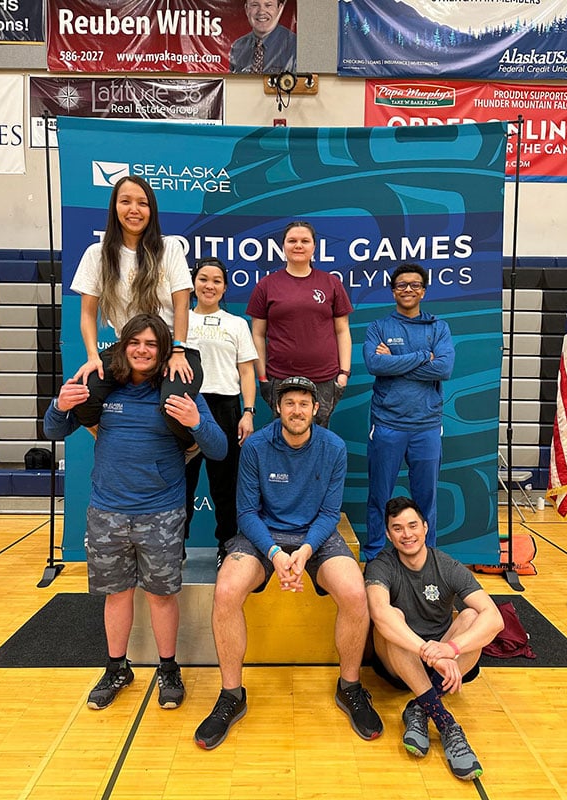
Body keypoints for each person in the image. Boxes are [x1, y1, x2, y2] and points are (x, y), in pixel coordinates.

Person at [43, 314, 227, 711]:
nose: (142, 350)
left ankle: (168, 668)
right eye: (135, 343)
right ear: (123, 347)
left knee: (161, 597)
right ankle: (116, 668)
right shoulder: (104, 391)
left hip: (160, 513)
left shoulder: (183, 395)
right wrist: (59, 406)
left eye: (152, 344)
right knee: (116, 596)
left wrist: (196, 423)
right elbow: (53, 430)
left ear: (164, 353)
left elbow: (219, 449)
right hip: (107, 512)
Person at [194, 376, 383, 749]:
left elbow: (330, 513)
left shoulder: (334, 447)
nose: (297, 410)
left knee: (354, 593)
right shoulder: (257, 447)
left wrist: (305, 551)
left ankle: (350, 687)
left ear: (317, 409)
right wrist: (276, 554)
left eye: (304, 403)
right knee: (227, 590)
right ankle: (231, 695)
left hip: (316, 536)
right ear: (278, 408)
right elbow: (246, 513)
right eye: (289, 403)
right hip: (262, 535)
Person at [364, 496, 504, 781]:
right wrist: (427, 652)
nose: (407, 534)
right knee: (392, 620)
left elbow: (495, 618)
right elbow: (379, 614)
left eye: (413, 525)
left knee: (472, 618)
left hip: (442, 657)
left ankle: (421, 706)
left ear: (426, 527)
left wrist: (450, 648)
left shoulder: (447, 566)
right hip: (400, 660)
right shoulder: (381, 565)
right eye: (398, 528)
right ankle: (446, 722)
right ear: (389, 534)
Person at [70, 174, 202, 445]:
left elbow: (181, 305)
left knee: (173, 407)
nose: (134, 209)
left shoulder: (170, 248)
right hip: (127, 349)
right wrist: (93, 356)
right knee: (84, 396)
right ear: (114, 207)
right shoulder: (97, 254)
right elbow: (86, 314)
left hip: (169, 345)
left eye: (142, 203)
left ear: (151, 210)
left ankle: (189, 450)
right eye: (125, 201)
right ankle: (112, 444)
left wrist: (178, 350)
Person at [363, 262, 455, 558]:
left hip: (426, 426)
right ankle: (376, 557)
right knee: (380, 496)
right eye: (402, 285)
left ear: (423, 291)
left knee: (425, 500)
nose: (408, 290)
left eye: (415, 285)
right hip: (387, 424)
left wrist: (397, 362)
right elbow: (375, 365)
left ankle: (426, 560)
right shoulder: (378, 327)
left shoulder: (438, 327)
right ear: (393, 291)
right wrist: (420, 357)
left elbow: (444, 367)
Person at [184, 257, 258, 567]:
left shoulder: (237, 324)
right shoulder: (179, 321)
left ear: (225, 287)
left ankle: (227, 544)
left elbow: (246, 373)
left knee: (225, 486)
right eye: (203, 279)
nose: (209, 285)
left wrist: (248, 411)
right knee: (182, 483)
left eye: (216, 280)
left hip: (226, 408)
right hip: (186, 406)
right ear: (193, 284)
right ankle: (175, 546)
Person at [247, 221, 353, 427]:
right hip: (280, 378)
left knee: (318, 441)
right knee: (283, 440)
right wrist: (263, 377)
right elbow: (258, 334)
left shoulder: (331, 283)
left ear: (314, 247)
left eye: (305, 241)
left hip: (324, 379)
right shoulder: (266, 285)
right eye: (292, 240)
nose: (298, 245)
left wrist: (343, 374)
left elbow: (342, 331)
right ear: (283, 246)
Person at [230, 0, 296, 74]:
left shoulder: (295, 46)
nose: (261, 12)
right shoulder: (237, 47)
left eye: (268, 5)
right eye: (254, 5)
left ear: (280, 9)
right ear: (246, 9)